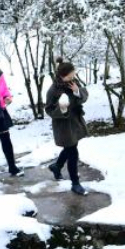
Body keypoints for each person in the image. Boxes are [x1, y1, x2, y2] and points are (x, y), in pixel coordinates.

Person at [45, 59, 89, 196]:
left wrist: (77, 92)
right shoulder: (53, 90)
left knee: (71, 147)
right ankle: (75, 183)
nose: (72, 78)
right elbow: (49, 109)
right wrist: (61, 109)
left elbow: (84, 95)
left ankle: (56, 166)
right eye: (69, 76)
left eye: (73, 75)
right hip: (63, 124)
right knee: (73, 152)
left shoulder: (73, 83)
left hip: (75, 121)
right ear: (61, 76)